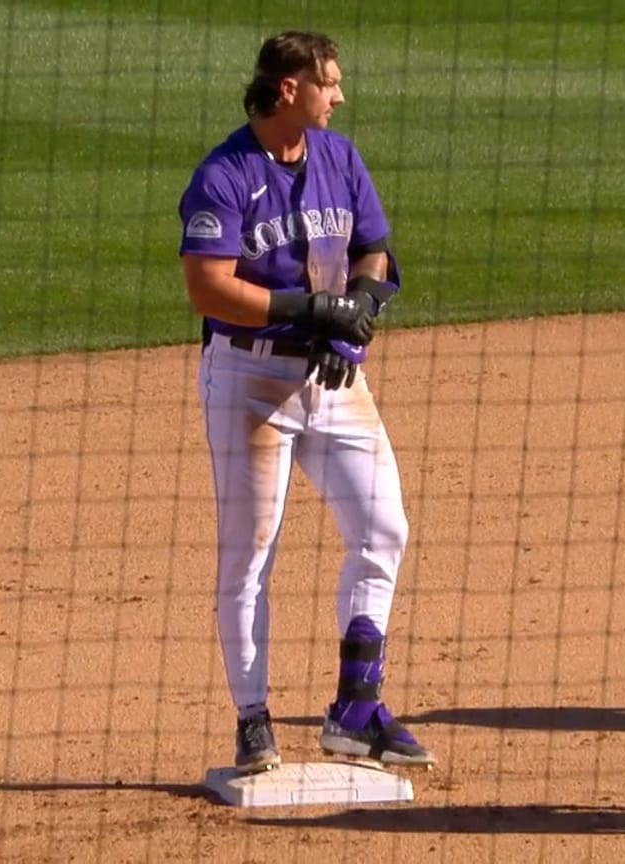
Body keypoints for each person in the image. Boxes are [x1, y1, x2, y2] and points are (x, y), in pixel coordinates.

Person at [176, 30, 433, 773]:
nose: (341, 95)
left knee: (385, 528)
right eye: (330, 83)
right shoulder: (224, 174)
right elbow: (208, 286)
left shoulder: (339, 157)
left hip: (331, 377)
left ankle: (356, 709)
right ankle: (253, 719)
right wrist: (309, 307)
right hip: (249, 383)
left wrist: (346, 327)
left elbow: (374, 252)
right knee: (251, 555)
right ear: (289, 88)